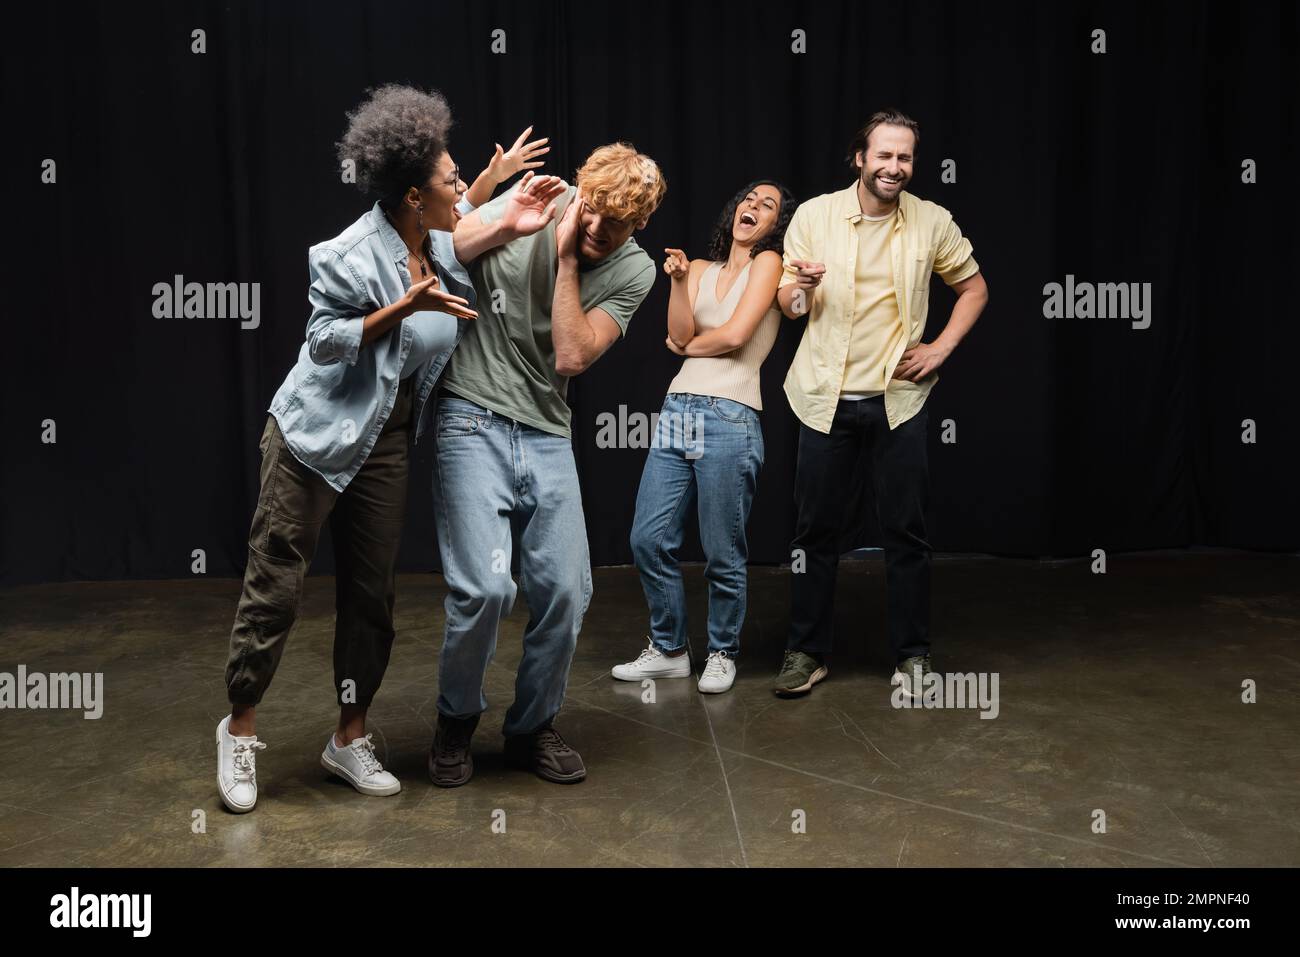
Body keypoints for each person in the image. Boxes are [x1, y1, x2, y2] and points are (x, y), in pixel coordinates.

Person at [216, 84, 548, 813]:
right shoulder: (347, 254)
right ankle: (239, 727)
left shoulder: (436, 237)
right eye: (450, 181)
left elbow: (467, 216)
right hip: (313, 437)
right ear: (408, 196)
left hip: (386, 444)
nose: (461, 189)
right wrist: (402, 308)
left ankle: (349, 736)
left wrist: (490, 185)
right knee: (276, 587)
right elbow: (322, 341)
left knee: (372, 597)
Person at [427, 143, 666, 786]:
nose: (592, 228)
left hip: (546, 432)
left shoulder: (635, 272)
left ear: (637, 225)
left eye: (612, 225)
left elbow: (571, 356)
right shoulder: (540, 196)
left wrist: (563, 259)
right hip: (470, 414)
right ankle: (456, 719)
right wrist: (508, 219)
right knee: (482, 589)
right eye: (588, 211)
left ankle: (532, 726)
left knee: (566, 590)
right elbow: (448, 244)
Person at [772, 109, 989, 699]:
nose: (895, 167)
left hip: (900, 402)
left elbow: (973, 288)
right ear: (860, 159)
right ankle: (806, 652)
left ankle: (912, 655)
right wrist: (802, 291)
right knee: (814, 533)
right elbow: (787, 303)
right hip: (823, 398)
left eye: (905, 158)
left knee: (906, 533)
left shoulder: (932, 222)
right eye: (884, 156)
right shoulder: (815, 216)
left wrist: (940, 349)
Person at [612, 180, 796, 694]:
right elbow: (675, 331)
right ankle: (669, 649)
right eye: (748, 199)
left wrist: (687, 346)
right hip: (677, 410)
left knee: (722, 550)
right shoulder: (695, 269)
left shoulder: (769, 265)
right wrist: (675, 283)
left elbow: (735, 336)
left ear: (775, 225)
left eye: (768, 206)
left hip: (731, 414)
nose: (753, 208)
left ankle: (721, 651)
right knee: (648, 538)